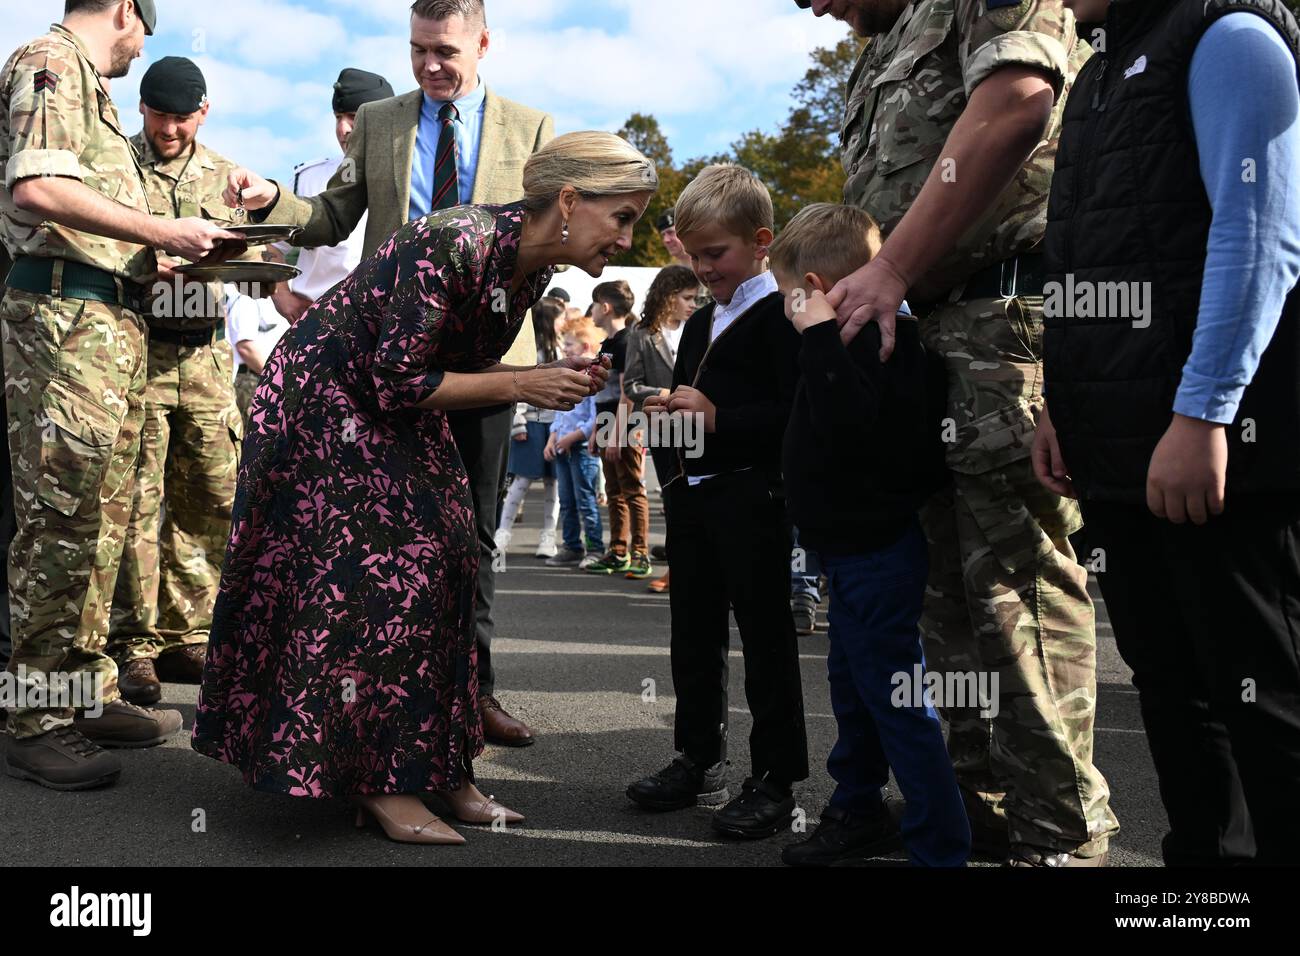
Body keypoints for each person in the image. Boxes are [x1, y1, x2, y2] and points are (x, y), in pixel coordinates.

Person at [192, 132, 656, 844]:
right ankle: (378, 781)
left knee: (453, 555)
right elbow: (399, 377)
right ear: (569, 201)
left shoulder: (525, 274)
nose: (628, 236)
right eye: (622, 216)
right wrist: (525, 382)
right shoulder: (457, 241)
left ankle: (441, 769)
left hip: (389, 407)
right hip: (324, 401)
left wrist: (551, 385)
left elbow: (448, 374)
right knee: (387, 570)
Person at [799, 0, 1118, 865]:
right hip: (927, 337)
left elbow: (1018, 100)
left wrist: (894, 265)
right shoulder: (885, 45)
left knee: (1014, 588)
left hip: (998, 320)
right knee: (941, 596)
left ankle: (1058, 825)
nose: (811, 6)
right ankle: (977, 809)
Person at [229, 0, 555, 747]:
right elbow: (329, 218)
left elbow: (545, 231)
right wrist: (268, 201)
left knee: (470, 538)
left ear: (482, 43)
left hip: (489, 364)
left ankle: (475, 694)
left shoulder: (533, 129)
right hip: (388, 364)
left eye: (445, 50)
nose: (430, 65)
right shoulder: (379, 122)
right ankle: (384, 712)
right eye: (417, 50)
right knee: (381, 538)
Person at [1035, 0, 1300, 864]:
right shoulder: (1099, 69)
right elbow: (1087, 255)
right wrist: (1059, 404)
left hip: (1216, 449)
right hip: (1118, 452)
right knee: (1173, 693)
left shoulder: (1230, 37)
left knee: (1263, 702)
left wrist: (1204, 411)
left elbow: (1260, 237)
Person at [0, 0, 235, 791]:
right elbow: (36, 188)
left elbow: (82, 217)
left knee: (98, 523)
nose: (142, 49)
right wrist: (160, 233)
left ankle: (83, 692)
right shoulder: (53, 62)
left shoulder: (87, 83)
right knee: (60, 521)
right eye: (147, 33)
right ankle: (34, 720)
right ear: (129, 10)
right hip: (65, 323)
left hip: (104, 321)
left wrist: (149, 262)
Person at [770, 203, 967, 867]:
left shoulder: (878, 344)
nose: (785, 308)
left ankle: (940, 846)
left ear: (820, 289)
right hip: (848, 551)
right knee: (855, 692)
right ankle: (858, 806)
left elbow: (850, 427)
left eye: (790, 295)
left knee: (897, 703)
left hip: (877, 552)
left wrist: (820, 336)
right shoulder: (852, 343)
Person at [626, 164, 807, 840]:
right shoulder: (699, 325)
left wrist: (715, 417)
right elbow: (689, 409)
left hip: (755, 498)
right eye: (693, 254)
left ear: (760, 241)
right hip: (695, 502)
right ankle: (698, 757)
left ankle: (777, 777)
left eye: (716, 253)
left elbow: (794, 413)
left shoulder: (784, 311)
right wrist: (664, 422)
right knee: (693, 635)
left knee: (766, 640)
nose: (702, 267)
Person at [108, 56, 253, 704]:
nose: (169, 129)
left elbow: (251, 260)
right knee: (136, 505)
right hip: (136, 352)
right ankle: (132, 645)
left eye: (182, 117)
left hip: (205, 363)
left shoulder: (226, 176)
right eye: (159, 115)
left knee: (208, 500)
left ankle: (185, 634)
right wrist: (151, 264)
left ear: (203, 112)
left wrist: (235, 260)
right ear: (141, 108)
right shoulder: (116, 165)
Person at [272, 68, 396, 325]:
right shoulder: (308, 178)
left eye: (354, 117)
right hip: (320, 328)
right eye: (338, 117)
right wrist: (281, 294)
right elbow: (269, 243)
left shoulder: (414, 177)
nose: (343, 129)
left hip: (390, 328)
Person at [623, 264, 701, 593]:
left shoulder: (701, 327)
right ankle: (676, 571)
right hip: (664, 429)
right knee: (672, 500)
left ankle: (702, 569)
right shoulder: (642, 335)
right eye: (687, 298)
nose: (693, 304)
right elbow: (630, 385)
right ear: (669, 297)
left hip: (701, 424)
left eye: (696, 298)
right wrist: (663, 394)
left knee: (701, 499)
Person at [585, 280, 652, 579]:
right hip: (606, 421)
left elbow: (626, 393)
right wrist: (595, 432)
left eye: (594, 304)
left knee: (632, 488)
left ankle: (640, 553)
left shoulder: (628, 341)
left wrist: (615, 435)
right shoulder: (608, 344)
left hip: (625, 423)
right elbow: (602, 396)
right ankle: (618, 550)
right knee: (613, 490)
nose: (592, 312)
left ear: (606, 306)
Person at [498, 295, 565, 559]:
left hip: (555, 425)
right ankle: (502, 533)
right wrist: (518, 423)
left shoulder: (560, 351)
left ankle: (548, 537)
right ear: (549, 322)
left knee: (553, 483)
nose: (565, 324)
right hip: (530, 425)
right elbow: (520, 391)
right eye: (561, 319)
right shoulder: (529, 353)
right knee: (521, 481)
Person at [544, 319, 606, 568]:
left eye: (568, 344)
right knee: (567, 501)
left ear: (584, 346)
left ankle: (595, 548)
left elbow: (595, 417)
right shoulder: (568, 374)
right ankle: (571, 546)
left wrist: (572, 437)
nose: (564, 348)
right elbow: (560, 413)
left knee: (586, 500)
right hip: (562, 448)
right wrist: (552, 437)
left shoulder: (595, 377)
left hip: (580, 449)